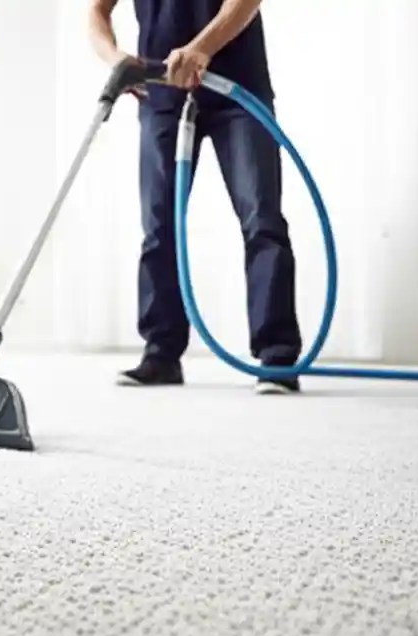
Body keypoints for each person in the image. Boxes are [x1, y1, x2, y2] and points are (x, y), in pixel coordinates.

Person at [88, 0, 303, 394]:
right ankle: (161, 353)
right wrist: (116, 59)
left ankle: (277, 357)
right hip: (162, 93)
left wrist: (202, 46)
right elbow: (97, 11)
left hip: (238, 89)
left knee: (262, 218)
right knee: (159, 225)